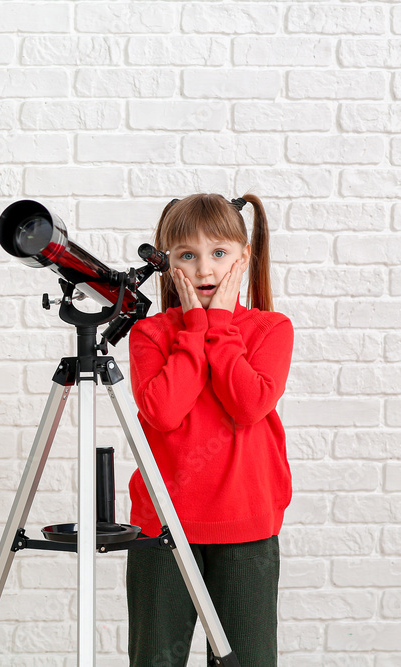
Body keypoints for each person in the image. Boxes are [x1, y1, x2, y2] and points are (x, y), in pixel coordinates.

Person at [125, 193, 293, 666]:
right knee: (155, 659)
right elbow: (163, 412)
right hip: (162, 528)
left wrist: (218, 324)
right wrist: (195, 328)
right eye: (187, 255)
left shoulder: (270, 328)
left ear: (244, 258)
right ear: (167, 265)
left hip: (246, 523)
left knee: (248, 660)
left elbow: (249, 404)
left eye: (219, 253)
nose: (204, 270)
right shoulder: (150, 334)